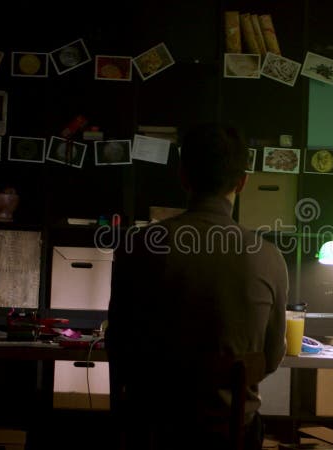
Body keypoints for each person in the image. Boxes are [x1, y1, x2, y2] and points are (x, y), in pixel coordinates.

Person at [105, 123, 289, 450]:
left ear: (183, 177)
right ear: (243, 182)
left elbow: (118, 346)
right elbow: (272, 357)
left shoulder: (138, 246)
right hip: (232, 432)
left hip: (153, 431)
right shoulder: (269, 257)